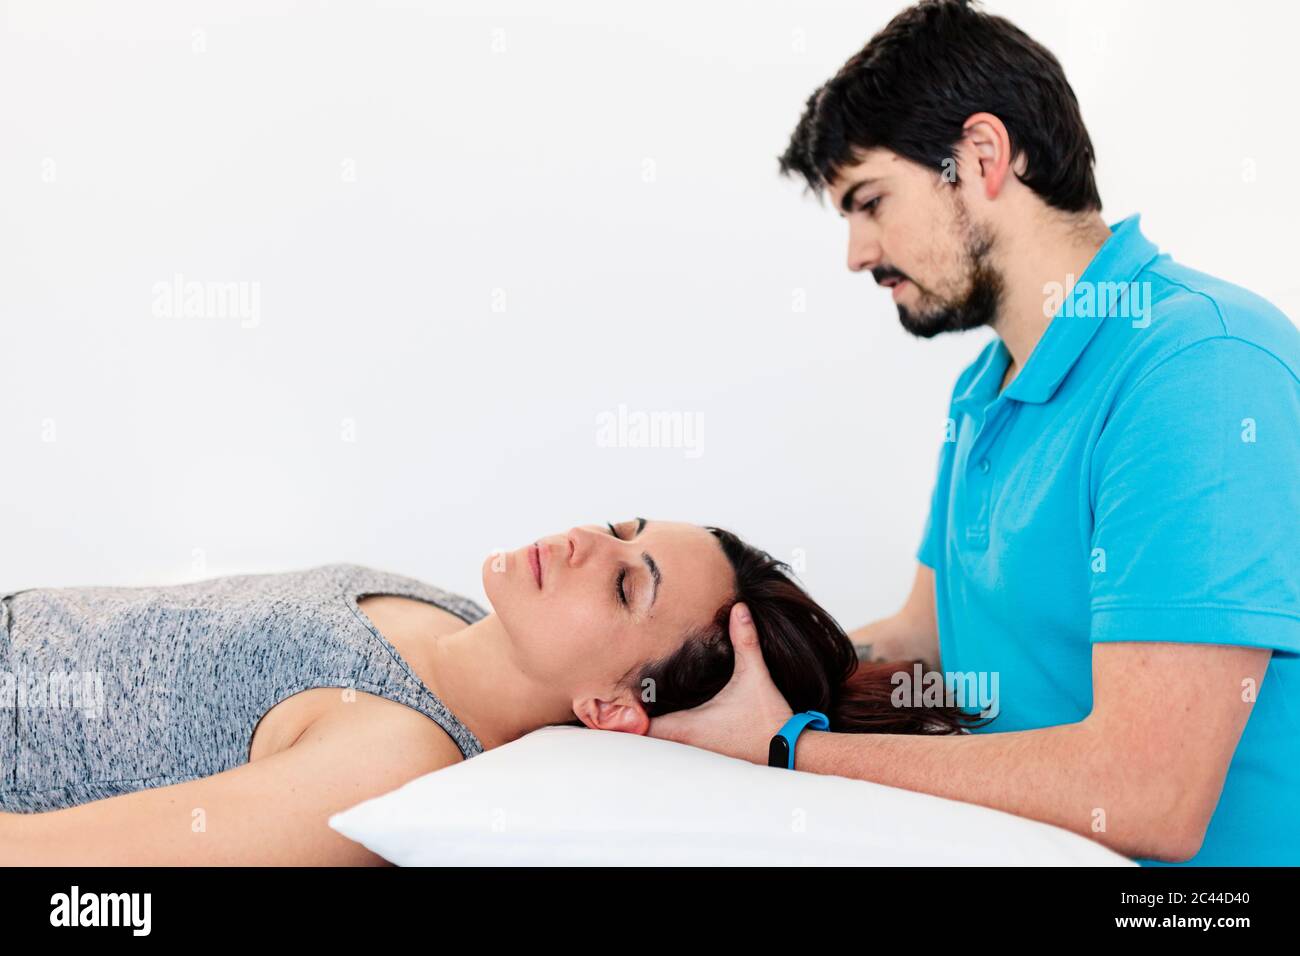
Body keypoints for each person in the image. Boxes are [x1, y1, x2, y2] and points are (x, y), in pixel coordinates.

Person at [654, 0, 1300, 865]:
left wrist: (792, 748)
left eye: (870, 200)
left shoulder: (1198, 367)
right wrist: (700, 674)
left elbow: (1145, 793)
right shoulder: (984, 389)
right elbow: (925, 640)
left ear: (982, 158)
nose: (855, 252)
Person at [0, 518, 980, 865]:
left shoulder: (384, 763)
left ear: (608, 707)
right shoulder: (447, 610)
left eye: (627, 582)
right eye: (623, 525)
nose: (589, 543)